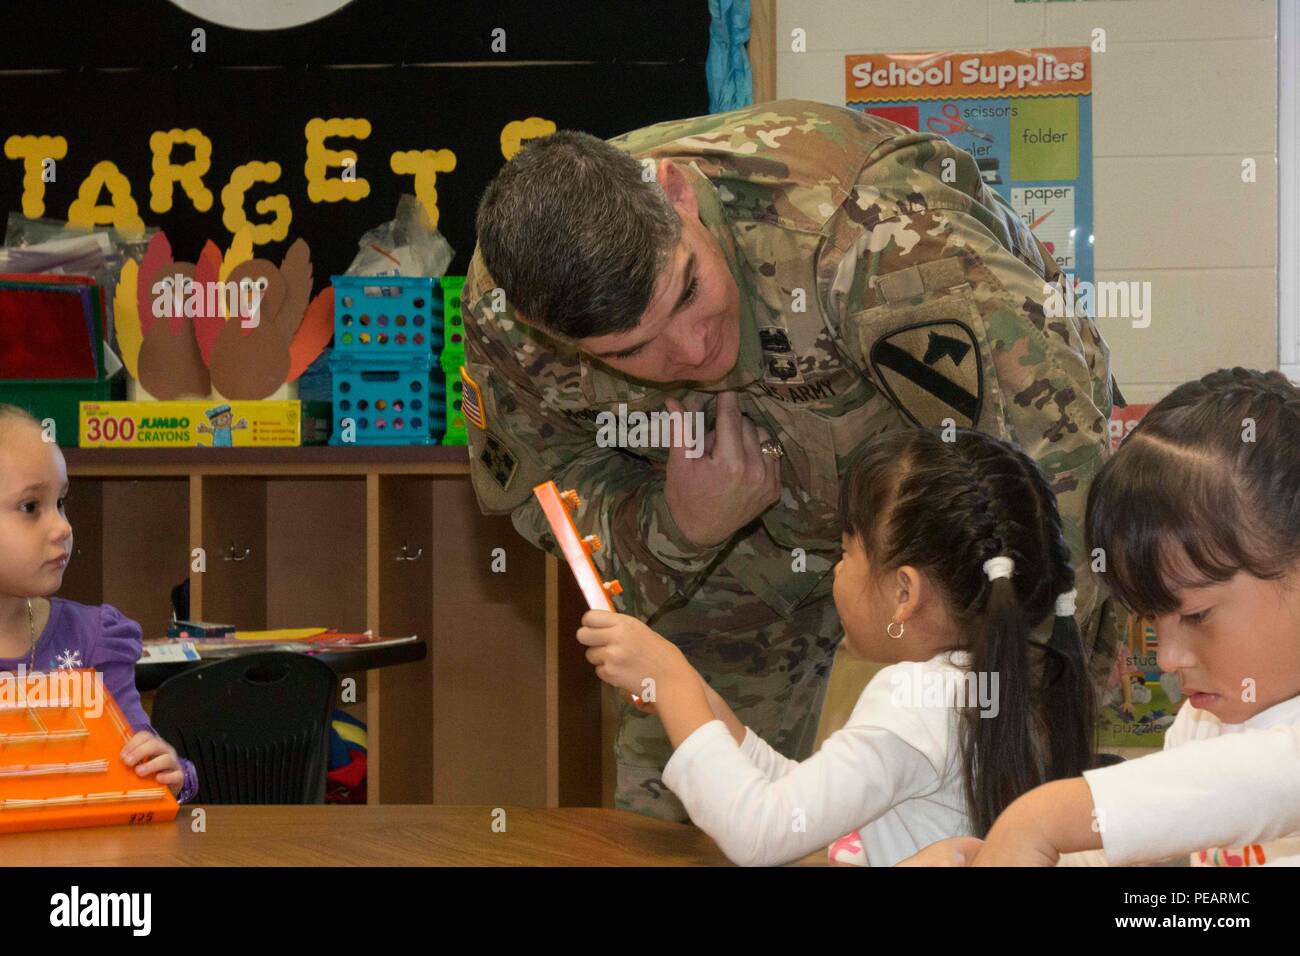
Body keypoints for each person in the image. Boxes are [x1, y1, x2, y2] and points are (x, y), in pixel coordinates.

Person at [461, 98, 1119, 820]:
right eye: (631, 352)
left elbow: (1055, 469)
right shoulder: (507, 315)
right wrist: (678, 527)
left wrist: (1035, 675)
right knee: (694, 809)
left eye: (688, 292)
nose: (690, 352)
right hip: (730, 553)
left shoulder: (870, 229)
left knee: (1011, 794)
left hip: (931, 530)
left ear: (676, 193)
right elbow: (545, 504)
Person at [576, 428, 1094, 865]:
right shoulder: (992, 686)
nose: (837, 569)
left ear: (904, 593)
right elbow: (808, 802)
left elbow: (759, 832)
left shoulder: (913, 696)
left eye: (846, 552)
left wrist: (670, 684)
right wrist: (697, 696)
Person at [959, 369, 1300, 865]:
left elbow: (1269, 777)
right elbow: (1142, 840)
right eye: (1150, 620)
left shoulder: (1270, 757)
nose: (1168, 658)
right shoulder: (1202, 722)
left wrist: (1040, 820)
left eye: (1198, 614)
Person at [0, 404, 198, 803]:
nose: (63, 527)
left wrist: (170, 775)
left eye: (61, 502)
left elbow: (147, 765)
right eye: (30, 507)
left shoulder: (92, 640)